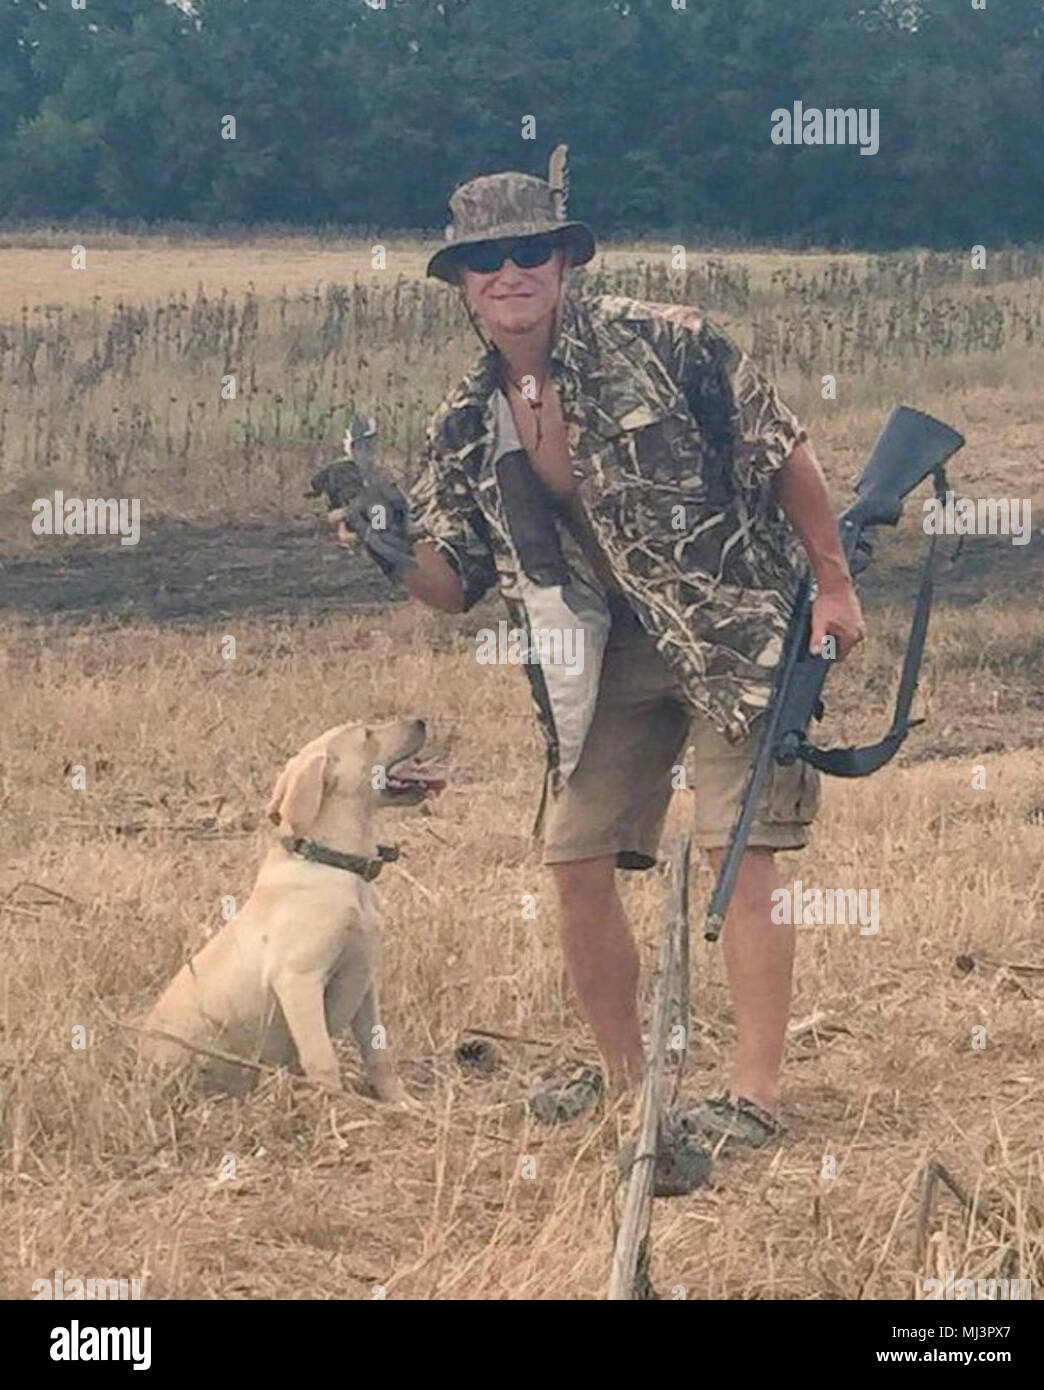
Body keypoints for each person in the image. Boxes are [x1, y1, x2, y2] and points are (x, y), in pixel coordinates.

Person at [331, 168, 865, 1154]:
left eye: (528, 251)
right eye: (484, 259)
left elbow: (780, 447)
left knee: (740, 850)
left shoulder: (663, 337)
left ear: (564, 258)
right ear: (461, 282)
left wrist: (831, 585)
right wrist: (386, 543)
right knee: (572, 856)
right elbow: (457, 584)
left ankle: (752, 1095)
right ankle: (625, 1079)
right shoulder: (462, 422)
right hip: (606, 651)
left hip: (731, 624)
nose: (508, 272)